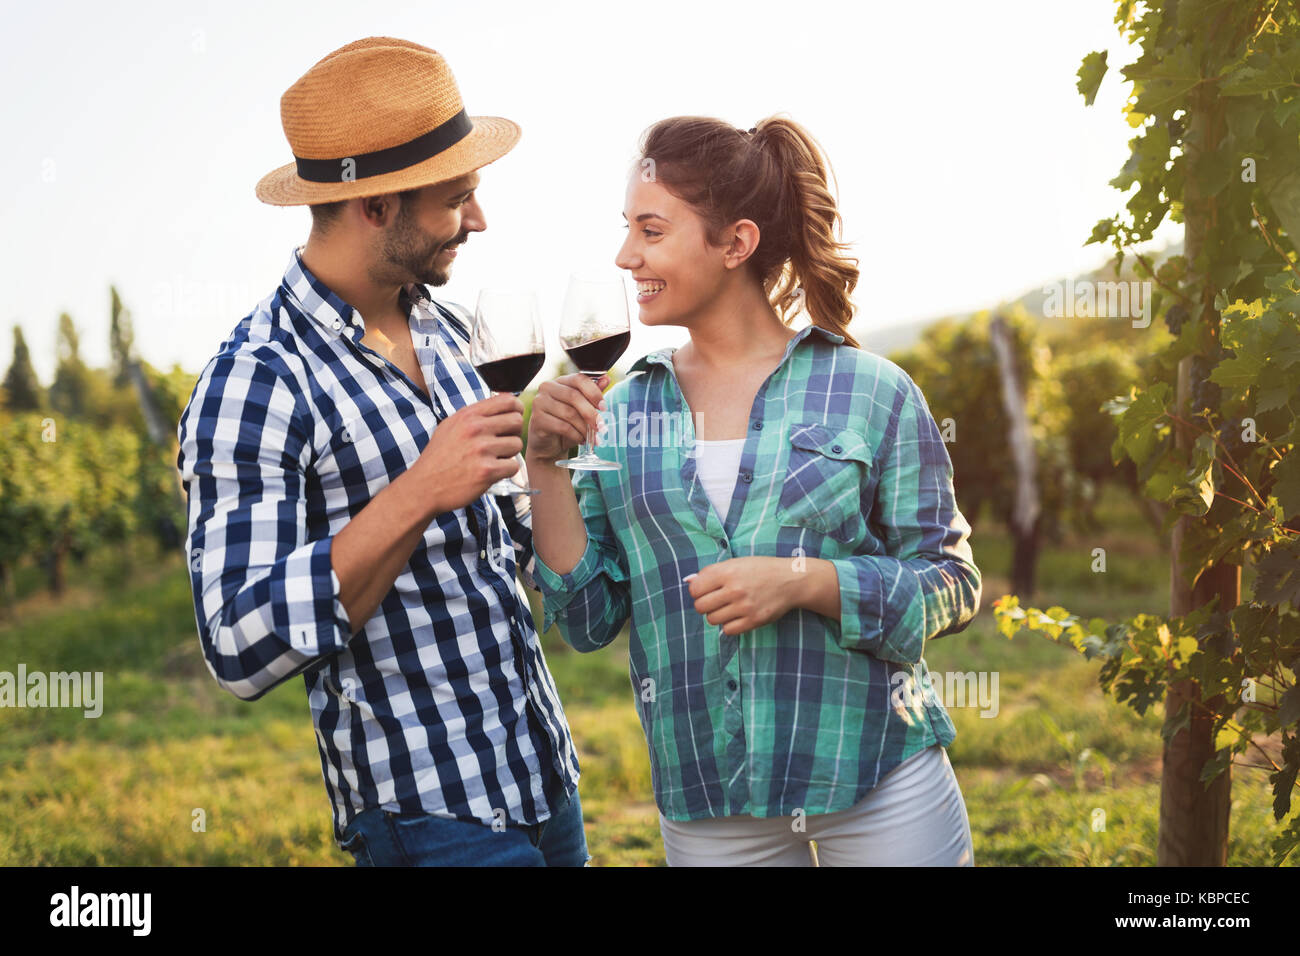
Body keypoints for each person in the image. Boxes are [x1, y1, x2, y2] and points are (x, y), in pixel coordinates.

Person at [525, 115, 981, 866]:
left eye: (651, 230)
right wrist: (545, 467)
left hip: (876, 773)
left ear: (735, 244)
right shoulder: (624, 412)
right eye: (627, 229)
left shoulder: (871, 391)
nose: (625, 255)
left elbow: (952, 585)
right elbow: (586, 618)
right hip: (711, 800)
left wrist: (808, 582)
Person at [176, 36, 587, 866]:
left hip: (545, 778)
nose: (478, 220)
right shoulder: (256, 379)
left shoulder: (451, 329)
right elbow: (236, 642)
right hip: (429, 818)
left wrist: (545, 466)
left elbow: (503, 555)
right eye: (456, 199)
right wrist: (417, 490)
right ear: (376, 207)